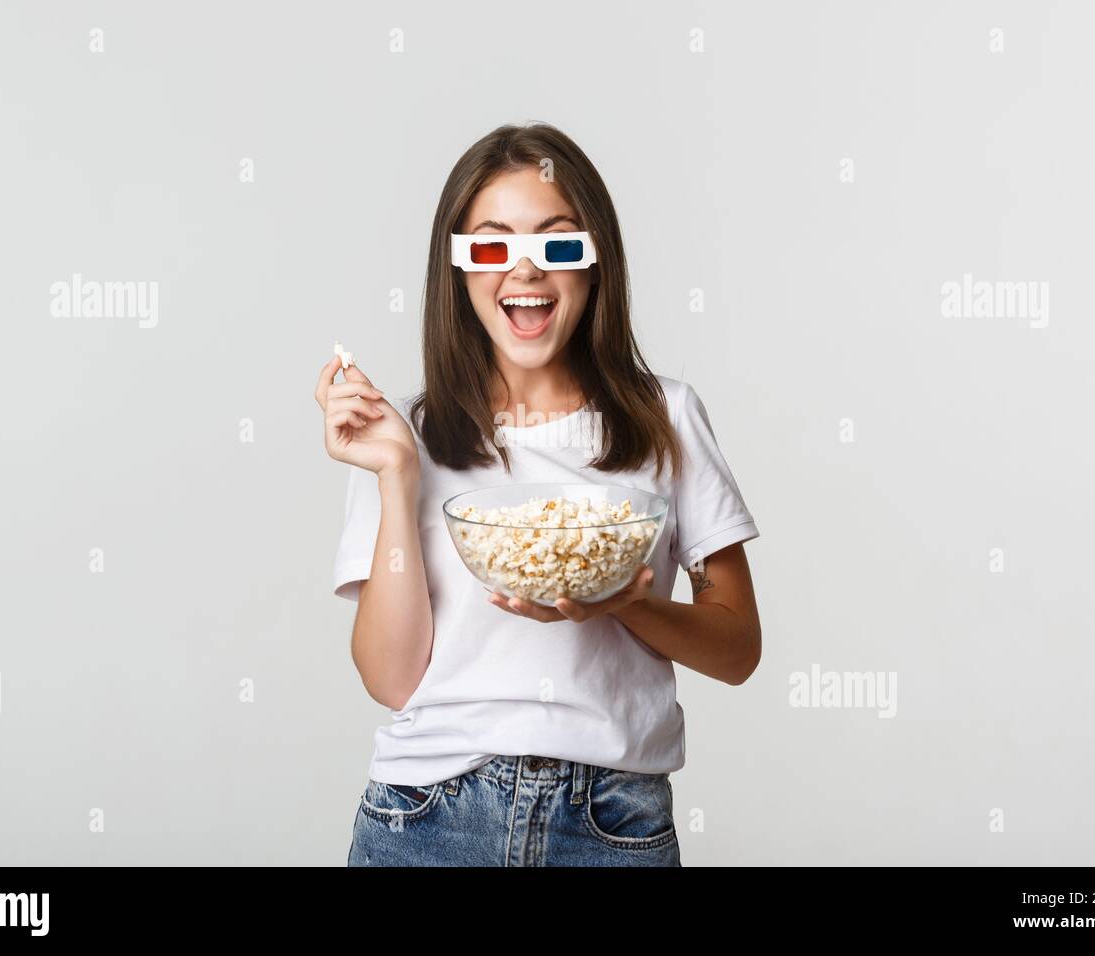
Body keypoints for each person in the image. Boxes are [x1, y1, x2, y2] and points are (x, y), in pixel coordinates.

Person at [315, 122, 761, 866]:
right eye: (491, 247)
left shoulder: (667, 419)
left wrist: (625, 601)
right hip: (428, 818)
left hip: (613, 822)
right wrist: (397, 475)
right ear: (457, 270)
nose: (525, 273)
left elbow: (738, 646)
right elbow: (390, 679)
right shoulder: (411, 434)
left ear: (596, 264)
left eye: (558, 244)